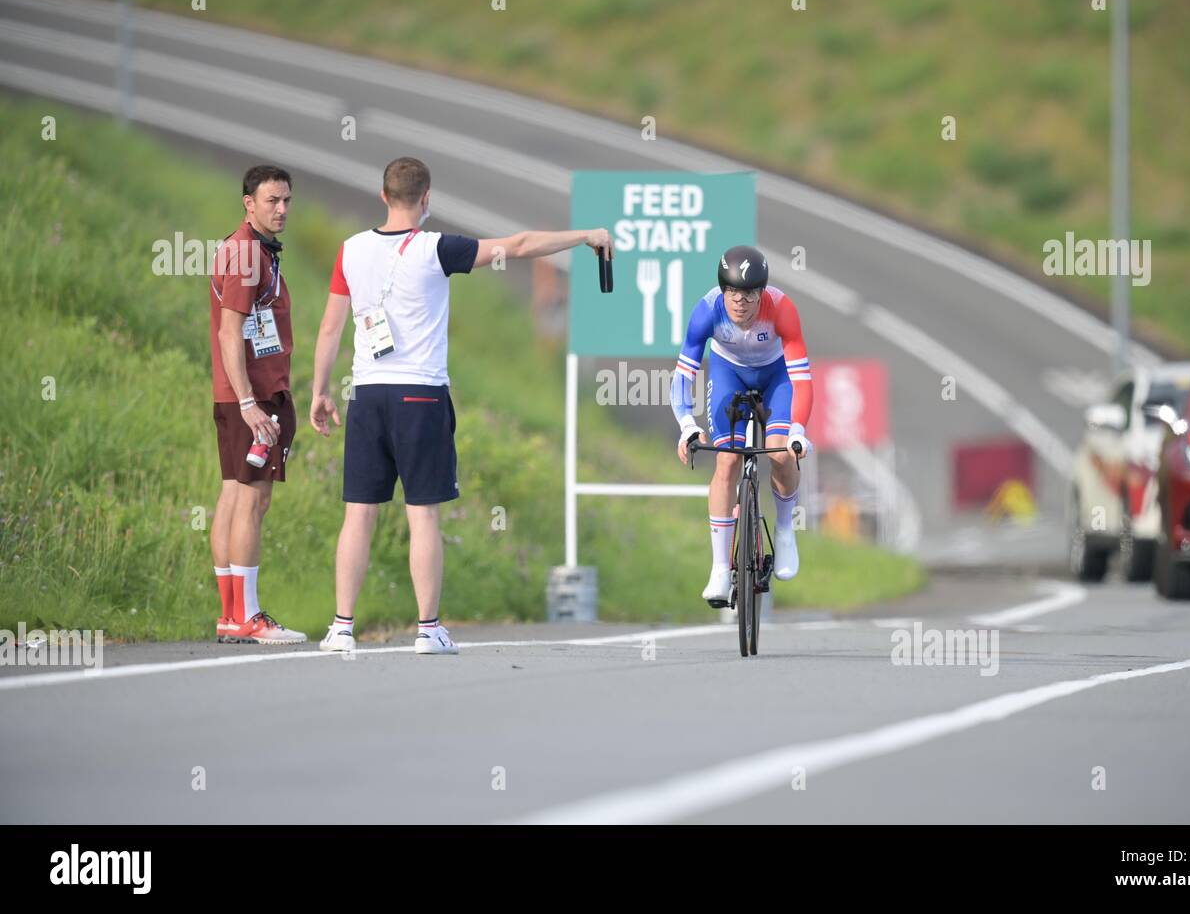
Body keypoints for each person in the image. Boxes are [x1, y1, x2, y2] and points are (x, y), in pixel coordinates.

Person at [309, 156, 612, 655]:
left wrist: (321, 391)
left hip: (365, 394)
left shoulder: (351, 250)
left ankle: (342, 626)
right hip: (420, 395)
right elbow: (516, 246)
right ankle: (428, 630)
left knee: (358, 514)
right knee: (422, 515)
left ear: (382, 195)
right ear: (426, 200)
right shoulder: (437, 248)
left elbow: (328, 327)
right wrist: (585, 236)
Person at [671, 245, 813, 602]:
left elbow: (801, 379)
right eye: (733, 292)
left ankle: (783, 532)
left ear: (761, 293)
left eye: (749, 294)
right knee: (728, 459)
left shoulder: (782, 310)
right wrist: (687, 423)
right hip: (728, 372)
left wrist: (798, 431)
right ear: (723, 291)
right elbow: (683, 374)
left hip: (775, 376)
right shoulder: (706, 311)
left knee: (781, 454)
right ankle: (720, 568)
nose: (740, 302)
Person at [209, 165, 307, 644]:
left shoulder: (252, 248)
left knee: (233, 495)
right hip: (252, 397)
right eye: (272, 201)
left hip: (243, 394)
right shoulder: (247, 252)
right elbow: (231, 331)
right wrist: (250, 402)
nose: (282, 209)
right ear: (249, 202)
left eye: (287, 200)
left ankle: (231, 615)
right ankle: (247, 616)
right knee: (251, 500)